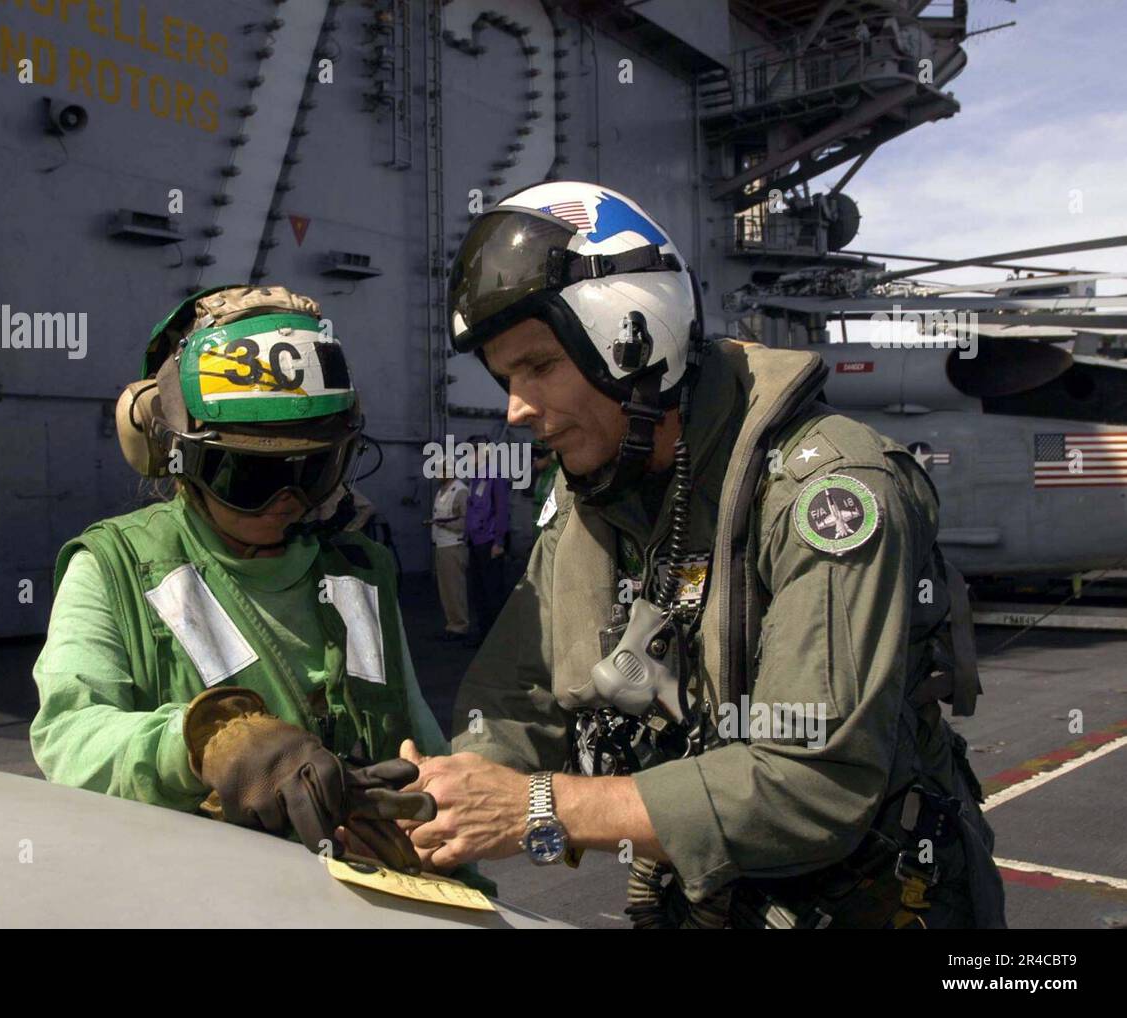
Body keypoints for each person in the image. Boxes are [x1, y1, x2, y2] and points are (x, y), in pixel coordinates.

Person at [400, 181, 1005, 928]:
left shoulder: (826, 491)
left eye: (539, 367)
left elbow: (812, 784)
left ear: (633, 344)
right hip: (704, 897)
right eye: (506, 379)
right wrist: (438, 794)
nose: (516, 410)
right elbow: (519, 694)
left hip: (875, 902)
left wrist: (535, 807)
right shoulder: (594, 498)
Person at [30, 285, 444, 871]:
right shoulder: (112, 566)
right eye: (250, 476)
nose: (288, 500)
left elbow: (418, 731)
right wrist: (199, 743)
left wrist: (438, 825)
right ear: (178, 457)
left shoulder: (359, 570)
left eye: (315, 469)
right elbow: (68, 739)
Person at [462, 436, 510, 646]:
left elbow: (501, 511)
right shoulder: (475, 478)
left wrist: (499, 542)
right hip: (475, 541)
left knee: (493, 592)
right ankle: (484, 636)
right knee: (478, 591)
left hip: (490, 543)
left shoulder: (495, 477)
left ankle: (496, 639)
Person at [425, 460, 470, 640]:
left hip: (453, 545)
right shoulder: (442, 491)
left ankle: (460, 625)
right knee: (446, 589)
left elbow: (465, 522)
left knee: (455, 588)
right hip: (442, 545)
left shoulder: (460, 491)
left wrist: (441, 524)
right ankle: (453, 623)